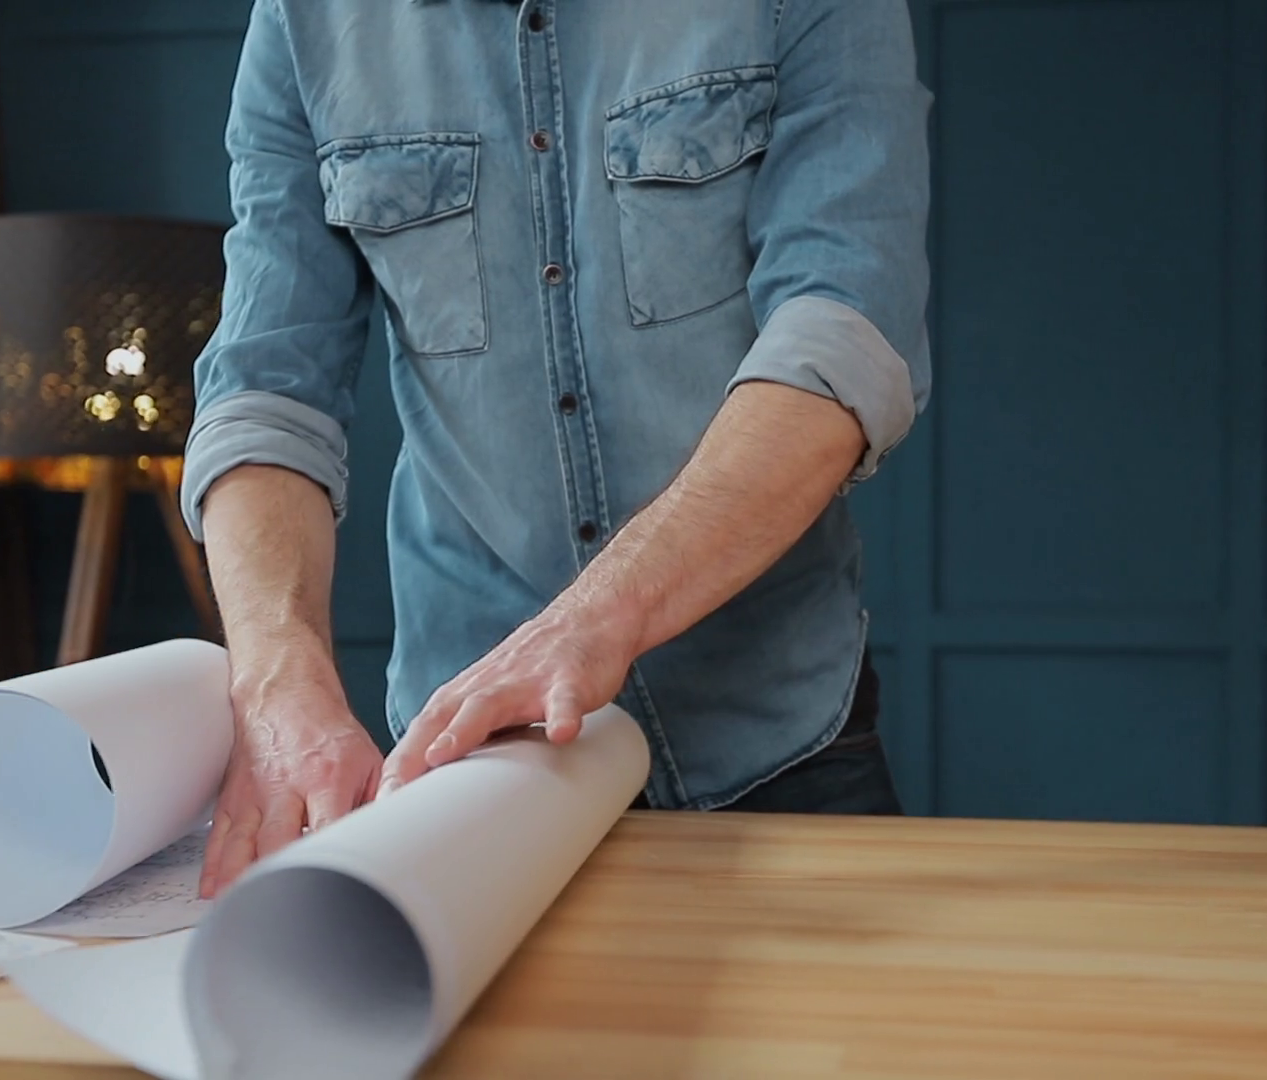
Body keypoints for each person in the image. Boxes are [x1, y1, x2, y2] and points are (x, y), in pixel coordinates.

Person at [185, 0, 933, 898]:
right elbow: (266, 389)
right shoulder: (304, 20)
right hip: (477, 769)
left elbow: (841, 338)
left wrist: (591, 624)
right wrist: (278, 680)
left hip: (780, 742)